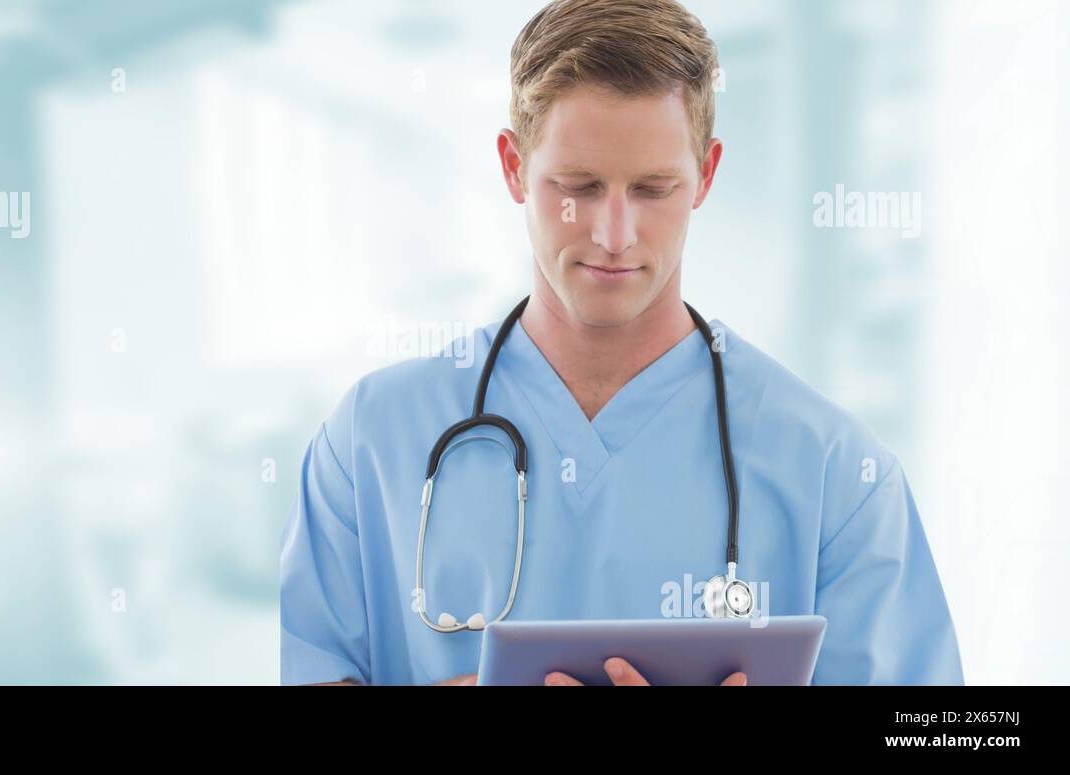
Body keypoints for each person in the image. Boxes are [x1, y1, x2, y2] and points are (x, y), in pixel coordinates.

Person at [279, 0, 963, 686]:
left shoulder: (837, 476)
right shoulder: (371, 442)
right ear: (513, 167)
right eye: (577, 187)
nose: (613, 234)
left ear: (707, 173)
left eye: (653, 189)